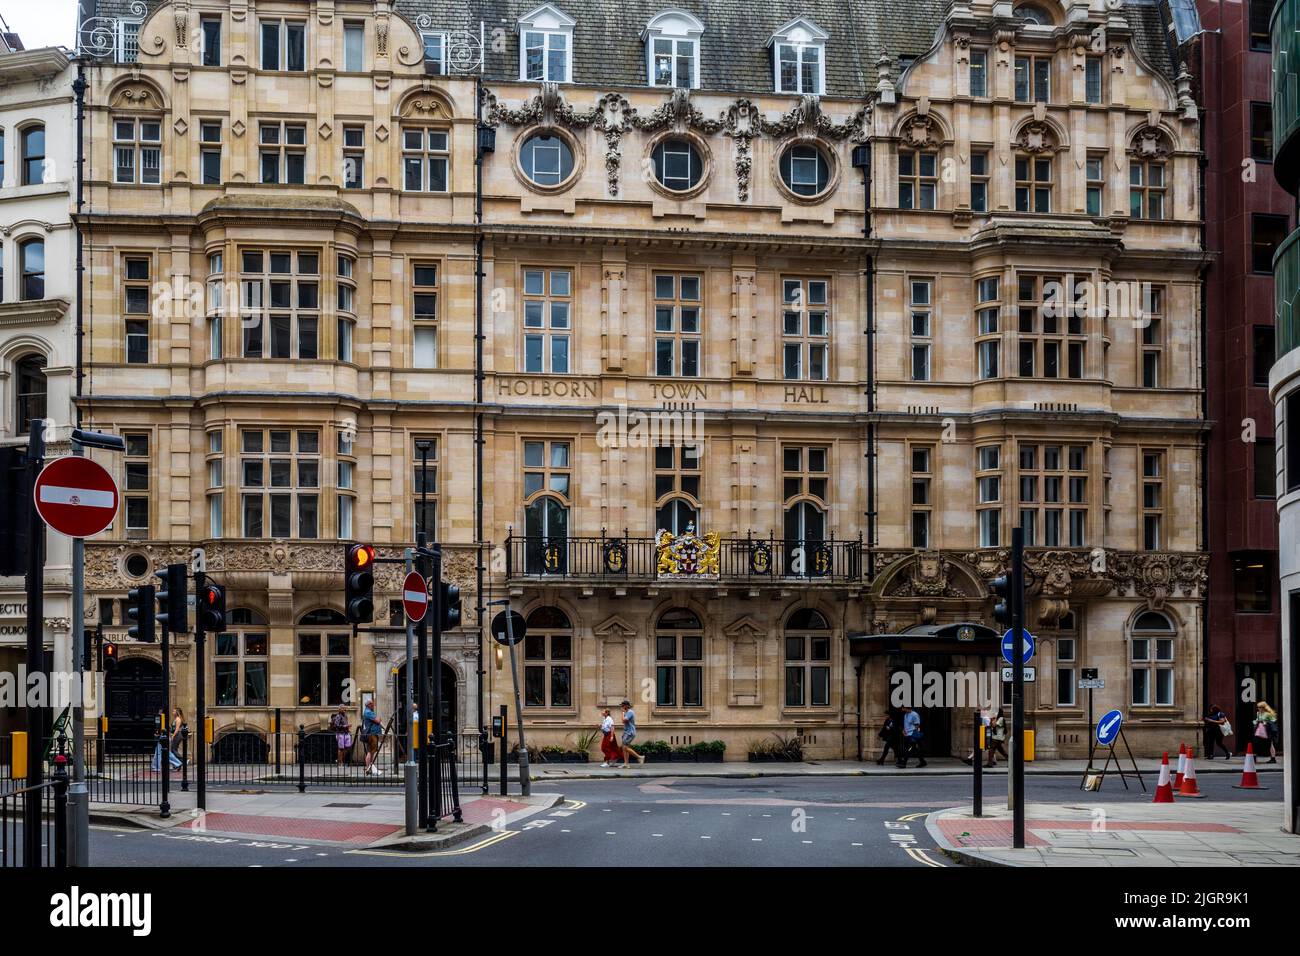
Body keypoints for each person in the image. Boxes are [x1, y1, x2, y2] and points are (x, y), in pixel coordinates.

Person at [618, 700, 645, 768]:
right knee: (625, 748)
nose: (621, 707)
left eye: (623, 705)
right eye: (621, 705)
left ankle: (639, 757)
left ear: (626, 706)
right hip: (627, 732)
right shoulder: (627, 712)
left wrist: (622, 713)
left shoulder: (630, 712)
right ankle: (626, 764)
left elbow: (623, 721)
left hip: (630, 732)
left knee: (625, 747)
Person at [362, 697, 383, 775]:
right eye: (372, 704)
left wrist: (378, 718)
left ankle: (370, 767)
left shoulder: (369, 711)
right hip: (371, 734)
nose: (373, 705)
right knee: (370, 752)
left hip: (372, 734)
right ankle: (368, 768)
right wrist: (379, 718)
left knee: (371, 751)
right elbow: (378, 720)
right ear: (369, 704)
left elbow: (378, 719)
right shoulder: (368, 712)